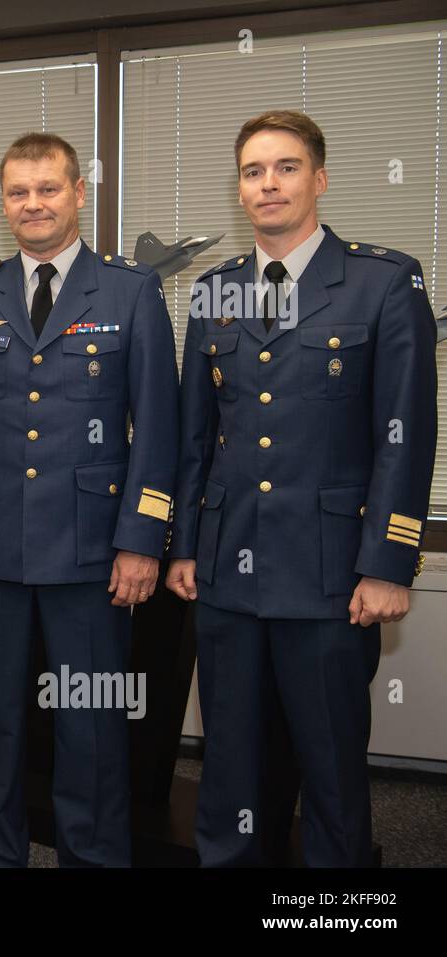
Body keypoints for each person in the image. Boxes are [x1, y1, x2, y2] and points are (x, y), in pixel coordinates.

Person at [165, 110, 437, 867]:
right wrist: (184, 545)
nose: (269, 183)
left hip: (331, 574)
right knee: (229, 771)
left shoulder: (383, 281)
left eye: (285, 167)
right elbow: (196, 437)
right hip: (226, 574)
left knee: (331, 773)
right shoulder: (214, 294)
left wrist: (387, 561)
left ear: (318, 178)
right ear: (240, 189)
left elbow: (406, 435)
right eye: (253, 171)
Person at [0, 133, 178, 867]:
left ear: (78, 193)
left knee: (91, 730)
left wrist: (142, 539)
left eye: (48, 188)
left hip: (93, 552)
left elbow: (158, 427)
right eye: (18, 191)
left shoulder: (131, 291)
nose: (33, 204)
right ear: (3, 201)